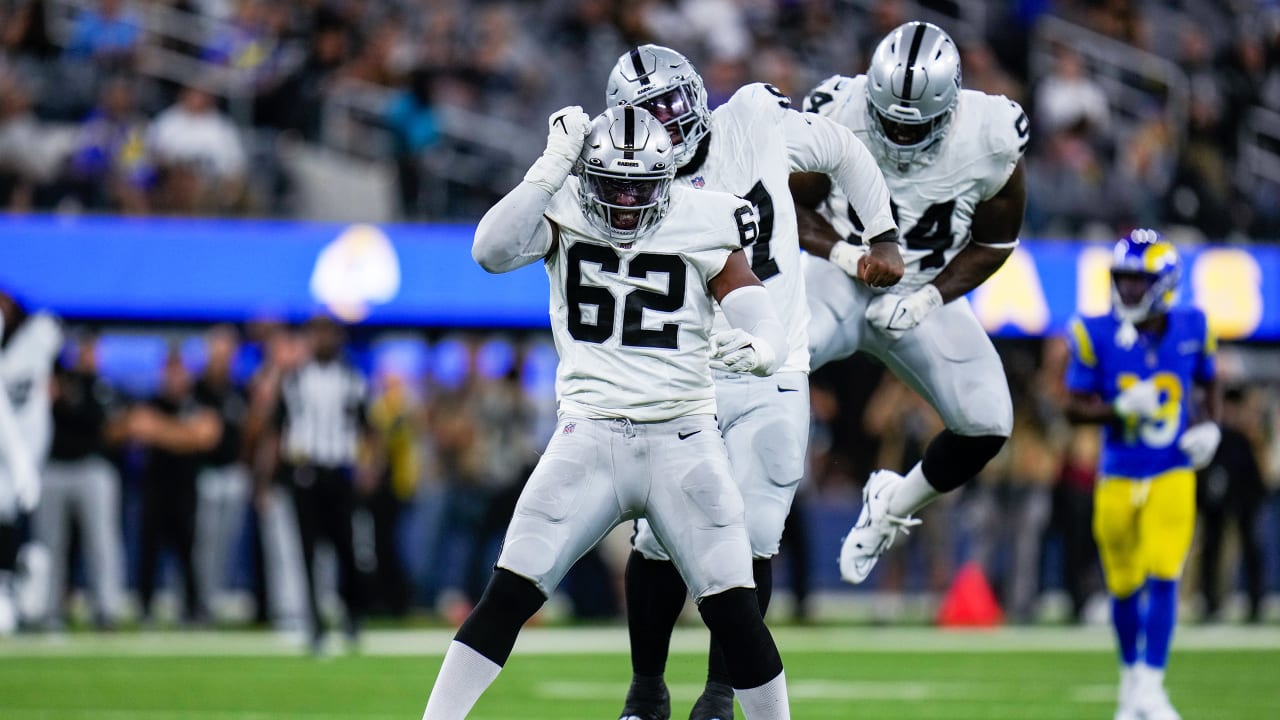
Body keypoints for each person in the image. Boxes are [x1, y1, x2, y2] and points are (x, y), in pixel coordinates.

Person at [421, 105, 793, 719]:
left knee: (734, 611)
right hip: (588, 437)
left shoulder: (706, 215)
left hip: (684, 439)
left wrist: (763, 347)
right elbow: (489, 250)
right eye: (609, 183)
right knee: (509, 592)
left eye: (638, 185)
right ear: (584, 174)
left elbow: (755, 306)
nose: (623, 200)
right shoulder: (562, 203)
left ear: (667, 176)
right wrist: (550, 166)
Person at [601, 43, 900, 720]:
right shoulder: (628, 175)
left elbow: (843, 152)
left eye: (675, 103)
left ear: (698, 93)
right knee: (658, 538)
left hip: (774, 367)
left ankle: (719, 695)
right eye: (650, 114)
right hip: (689, 373)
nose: (670, 124)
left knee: (757, 529)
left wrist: (879, 234)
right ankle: (646, 689)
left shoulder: (755, 118)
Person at [792, 21, 1028, 584]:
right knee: (767, 359)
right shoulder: (837, 108)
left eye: (913, 126)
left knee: (988, 422)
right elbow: (789, 210)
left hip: (926, 291)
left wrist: (929, 298)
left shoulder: (992, 134)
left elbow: (995, 241)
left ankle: (894, 504)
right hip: (838, 277)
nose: (899, 137)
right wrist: (848, 256)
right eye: (888, 122)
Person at [1064, 230, 1219, 720]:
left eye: (1138, 281)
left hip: (1172, 470)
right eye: (1123, 280)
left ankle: (1152, 685)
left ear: (1164, 283)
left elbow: (1210, 381)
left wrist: (1210, 426)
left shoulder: (1195, 325)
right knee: (1124, 584)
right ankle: (1132, 682)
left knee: (1165, 572)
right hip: (1118, 472)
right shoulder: (1094, 331)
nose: (1128, 290)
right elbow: (1072, 408)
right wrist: (1114, 410)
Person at [269, 315, 376, 653]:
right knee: (307, 552)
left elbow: (368, 429)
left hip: (340, 472)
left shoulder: (352, 379)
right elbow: (278, 430)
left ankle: (350, 616)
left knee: (347, 549)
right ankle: (314, 622)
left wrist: (370, 467)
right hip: (305, 472)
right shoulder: (294, 380)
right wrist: (264, 477)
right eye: (317, 333)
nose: (323, 340)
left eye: (329, 333)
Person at [34, 329, 126, 629]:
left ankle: (106, 609)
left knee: (101, 542)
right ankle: (47, 610)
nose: (88, 356)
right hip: (54, 467)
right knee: (50, 544)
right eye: (83, 350)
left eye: (92, 350)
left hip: (91, 467)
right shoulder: (52, 378)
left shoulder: (103, 386)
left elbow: (109, 428)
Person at [0, 290, 61, 634]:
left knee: (28, 524)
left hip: (33, 449)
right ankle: (12, 585)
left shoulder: (39, 332)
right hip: (11, 452)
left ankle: (23, 593)